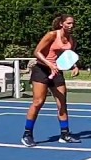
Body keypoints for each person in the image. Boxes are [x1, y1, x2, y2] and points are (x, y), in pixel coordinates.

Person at [21, 14, 81, 147]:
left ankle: (65, 134)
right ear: (61, 24)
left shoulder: (72, 40)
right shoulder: (52, 35)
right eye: (69, 23)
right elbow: (37, 52)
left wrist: (74, 66)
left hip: (57, 71)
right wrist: (50, 65)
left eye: (73, 24)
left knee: (62, 103)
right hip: (41, 69)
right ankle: (27, 134)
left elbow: (67, 56)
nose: (72, 26)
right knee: (38, 102)